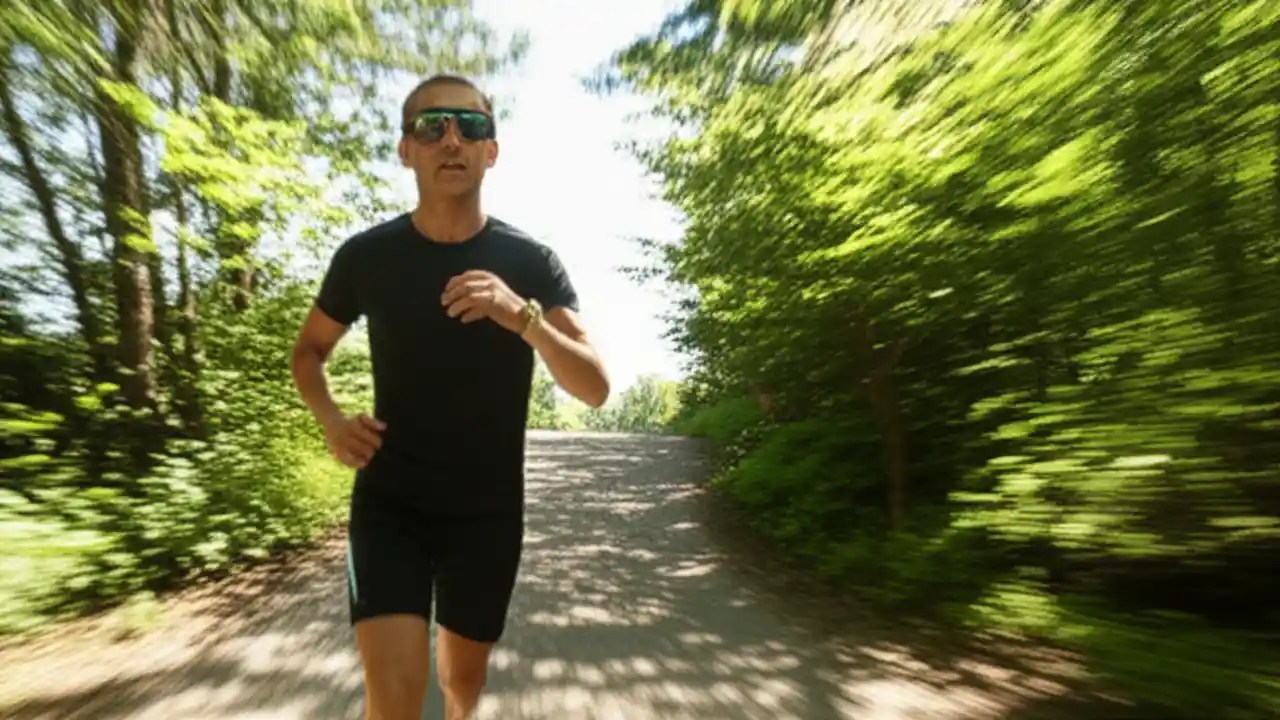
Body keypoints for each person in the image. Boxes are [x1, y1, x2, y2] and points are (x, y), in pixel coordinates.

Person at [289, 74, 610, 720]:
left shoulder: (531, 262)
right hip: (389, 503)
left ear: (493, 151)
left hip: (486, 511)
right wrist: (329, 418)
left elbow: (594, 387)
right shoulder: (365, 258)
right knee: (396, 692)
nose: (452, 140)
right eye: (431, 126)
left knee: (461, 686)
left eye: (472, 126)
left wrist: (523, 317)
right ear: (406, 149)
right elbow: (307, 353)